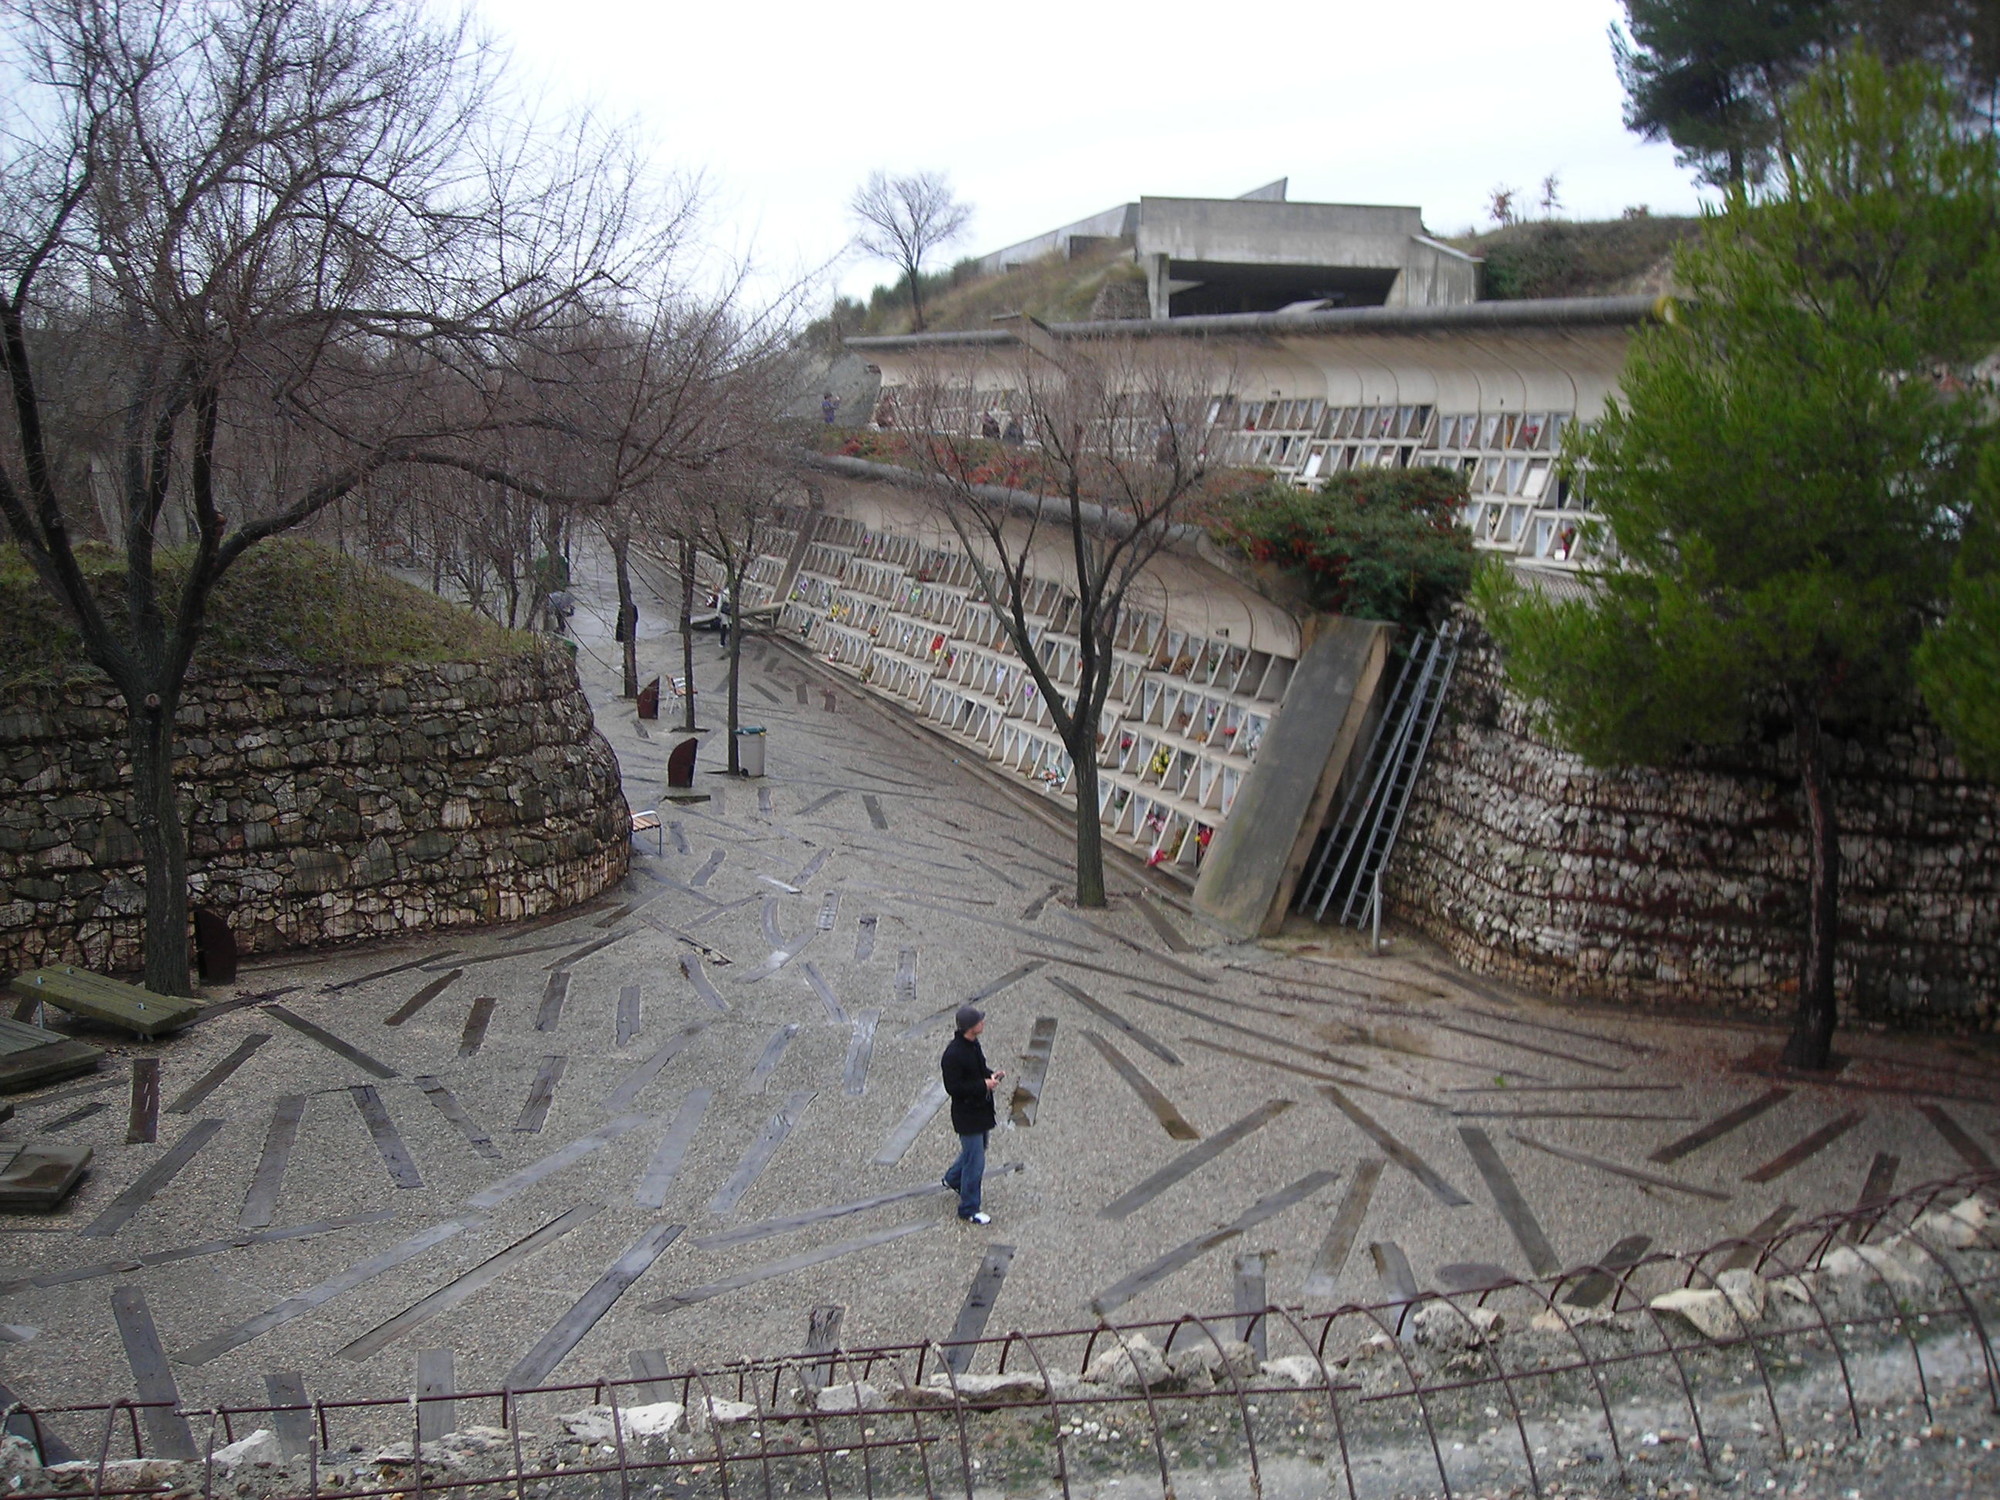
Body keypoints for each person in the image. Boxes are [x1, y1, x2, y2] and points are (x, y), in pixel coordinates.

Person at [940, 1004, 1003, 1224]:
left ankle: (953, 1178)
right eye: (979, 1021)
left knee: (976, 1150)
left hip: (980, 1111)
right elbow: (954, 1088)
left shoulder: (973, 1045)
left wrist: (990, 1076)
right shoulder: (953, 1054)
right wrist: (983, 1085)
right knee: (975, 1161)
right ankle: (969, 1208)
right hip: (967, 1115)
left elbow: (979, 1070)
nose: (983, 1023)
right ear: (970, 1027)